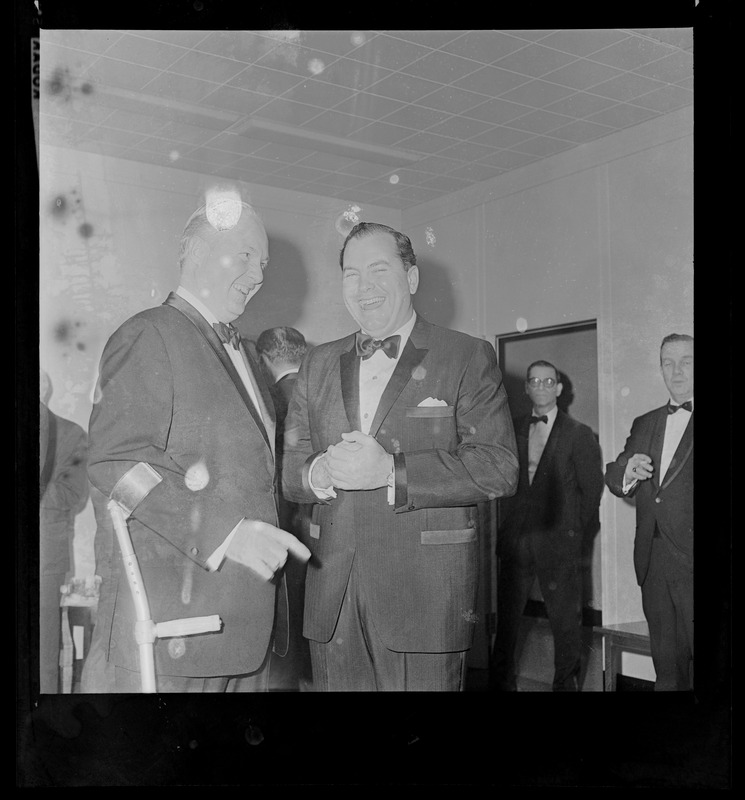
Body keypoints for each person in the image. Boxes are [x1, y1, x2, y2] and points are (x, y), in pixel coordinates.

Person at [86, 194, 310, 693]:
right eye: (246, 255)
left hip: (247, 632)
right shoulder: (149, 334)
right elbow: (115, 462)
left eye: (264, 262)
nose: (258, 273)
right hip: (176, 636)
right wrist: (228, 536)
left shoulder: (250, 356)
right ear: (197, 250)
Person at [282, 221, 519, 691]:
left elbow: (499, 467)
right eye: (352, 274)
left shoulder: (466, 356)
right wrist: (321, 471)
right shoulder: (317, 363)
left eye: (378, 270)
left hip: (424, 598)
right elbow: (290, 472)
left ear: (410, 279)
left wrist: (390, 471)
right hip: (334, 598)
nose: (364, 287)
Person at [489, 360, 604, 692]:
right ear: (526, 388)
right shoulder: (509, 429)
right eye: (534, 381)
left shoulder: (579, 434)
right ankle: (499, 687)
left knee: (566, 626)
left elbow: (591, 492)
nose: (540, 386)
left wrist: (570, 535)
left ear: (558, 389)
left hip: (559, 546)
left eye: (548, 381)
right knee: (507, 626)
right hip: (516, 544)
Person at [605, 333, 693, 691]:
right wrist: (627, 471)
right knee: (667, 673)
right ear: (659, 368)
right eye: (668, 363)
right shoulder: (645, 423)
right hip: (653, 564)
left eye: (686, 361)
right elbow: (614, 472)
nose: (676, 371)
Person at [255, 326, 312, 690]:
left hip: (284, 533)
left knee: (284, 649)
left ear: (262, 361)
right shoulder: (321, 395)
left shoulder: (267, 401)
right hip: (324, 532)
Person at [39, 370, 89, 693]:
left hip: (44, 562)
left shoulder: (71, 434)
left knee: (42, 654)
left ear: (43, 389)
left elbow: (75, 495)